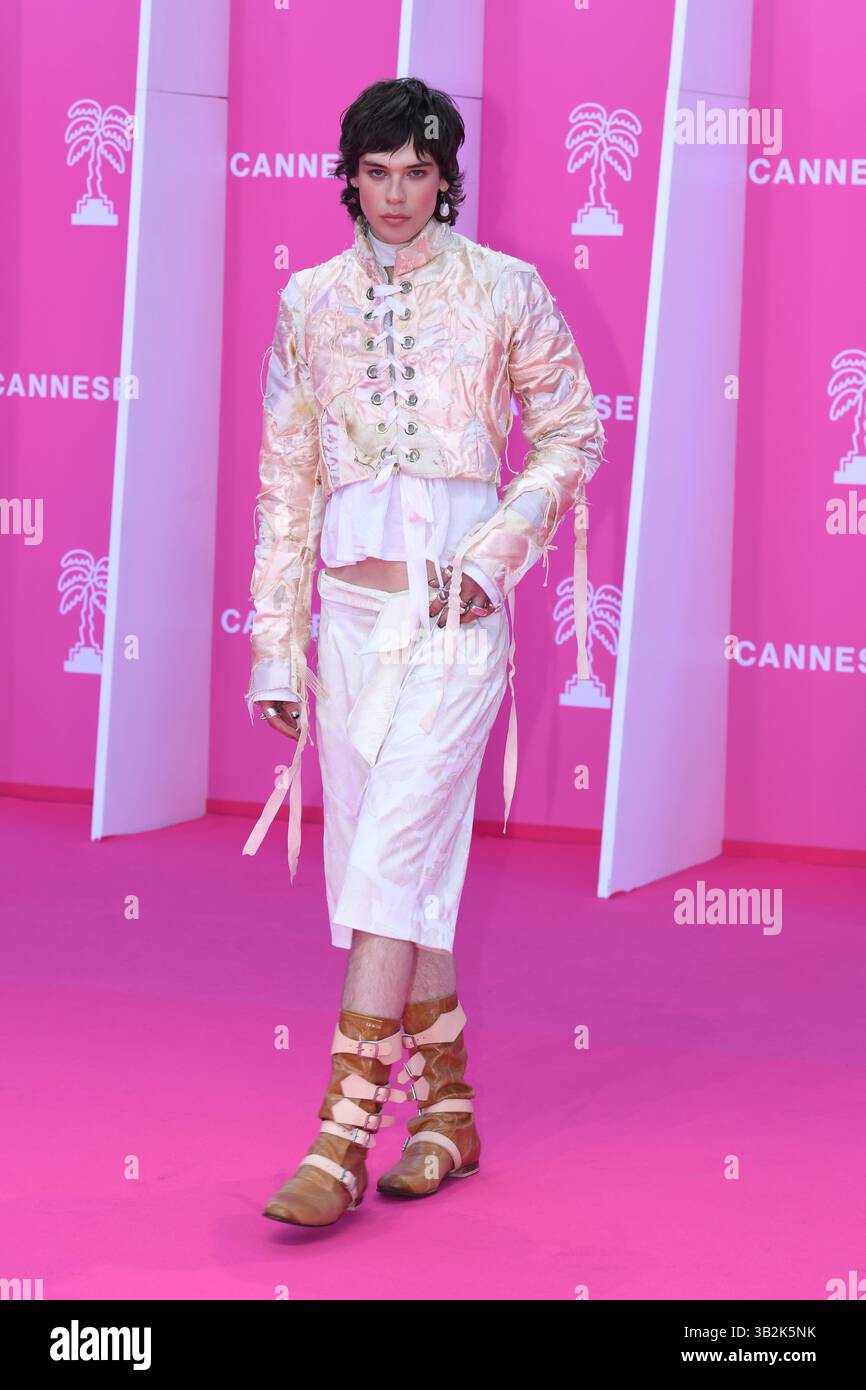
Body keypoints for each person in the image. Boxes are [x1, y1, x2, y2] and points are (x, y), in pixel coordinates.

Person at [242, 78, 606, 1227]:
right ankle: (446, 1111)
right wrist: (272, 648)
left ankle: (340, 1136)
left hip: (456, 626)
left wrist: (496, 550)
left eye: (418, 171)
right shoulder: (306, 302)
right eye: (378, 170)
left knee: (390, 862)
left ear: (447, 175)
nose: (397, 194)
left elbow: (569, 434)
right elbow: (285, 484)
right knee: (385, 888)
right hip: (348, 628)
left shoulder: (505, 289)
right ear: (348, 173)